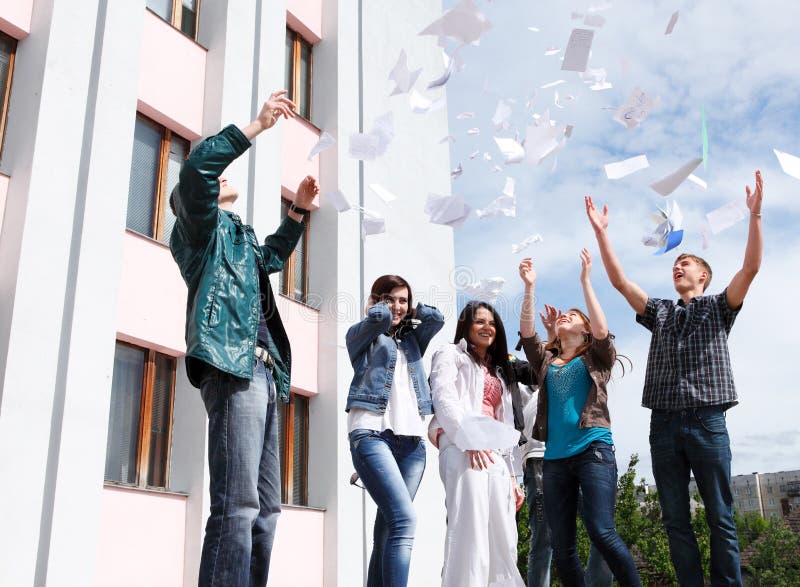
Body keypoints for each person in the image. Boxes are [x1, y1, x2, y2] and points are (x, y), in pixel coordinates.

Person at [585, 170, 764, 586]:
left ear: (704, 276)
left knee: (720, 516)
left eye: (685, 263)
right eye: (674, 265)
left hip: (707, 421)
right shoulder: (661, 312)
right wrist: (602, 233)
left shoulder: (720, 307)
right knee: (674, 520)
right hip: (663, 424)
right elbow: (619, 281)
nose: (677, 267)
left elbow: (751, 268)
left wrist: (754, 215)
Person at [169, 90, 318, 587]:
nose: (221, 180)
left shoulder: (239, 236)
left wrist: (297, 212)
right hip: (231, 366)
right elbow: (197, 173)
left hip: (265, 370)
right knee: (236, 506)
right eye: (217, 181)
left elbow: (271, 258)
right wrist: (256, 126)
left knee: (266, 509)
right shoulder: (199, 232)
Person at [517, 251, 641, 586]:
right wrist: (530, 287)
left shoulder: (597, 358)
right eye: (563, 317)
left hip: (593, 451)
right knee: (562, 549)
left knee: (601, 531)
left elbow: (602, 330)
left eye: (573, 316)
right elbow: (527, 333)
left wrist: (586, 280)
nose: (564, 318)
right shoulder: (547, 361)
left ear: (584, 331)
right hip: (555, 460)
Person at [345, 275, 445, 587]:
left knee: (389, 528)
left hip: (412, 445)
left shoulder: (413, 342)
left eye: (403, 300)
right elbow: (378, 318)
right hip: (371, 434)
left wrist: (409, 311)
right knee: (405, 520)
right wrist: (383, 309)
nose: (397, 306)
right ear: (376, 300)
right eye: (390, 299)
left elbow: (435, 318)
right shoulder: (361, 336)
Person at [429, 301, 527, 587]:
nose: (488, 328)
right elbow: (444, 398)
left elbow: (505, 424)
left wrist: (513, 477)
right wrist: (468, 439)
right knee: (470, 529)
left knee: (503, 533)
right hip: (462, 447)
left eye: (492, 323)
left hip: (494, 452)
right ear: (466, 326)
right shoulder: (449, 354)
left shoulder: (498, 371)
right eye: (480, 321)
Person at [518, 345, 613, 587]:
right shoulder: (525, 388)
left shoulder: (581, 371)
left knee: (602, 533)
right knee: (544, 539)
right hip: (539, 462)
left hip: (582, 456)